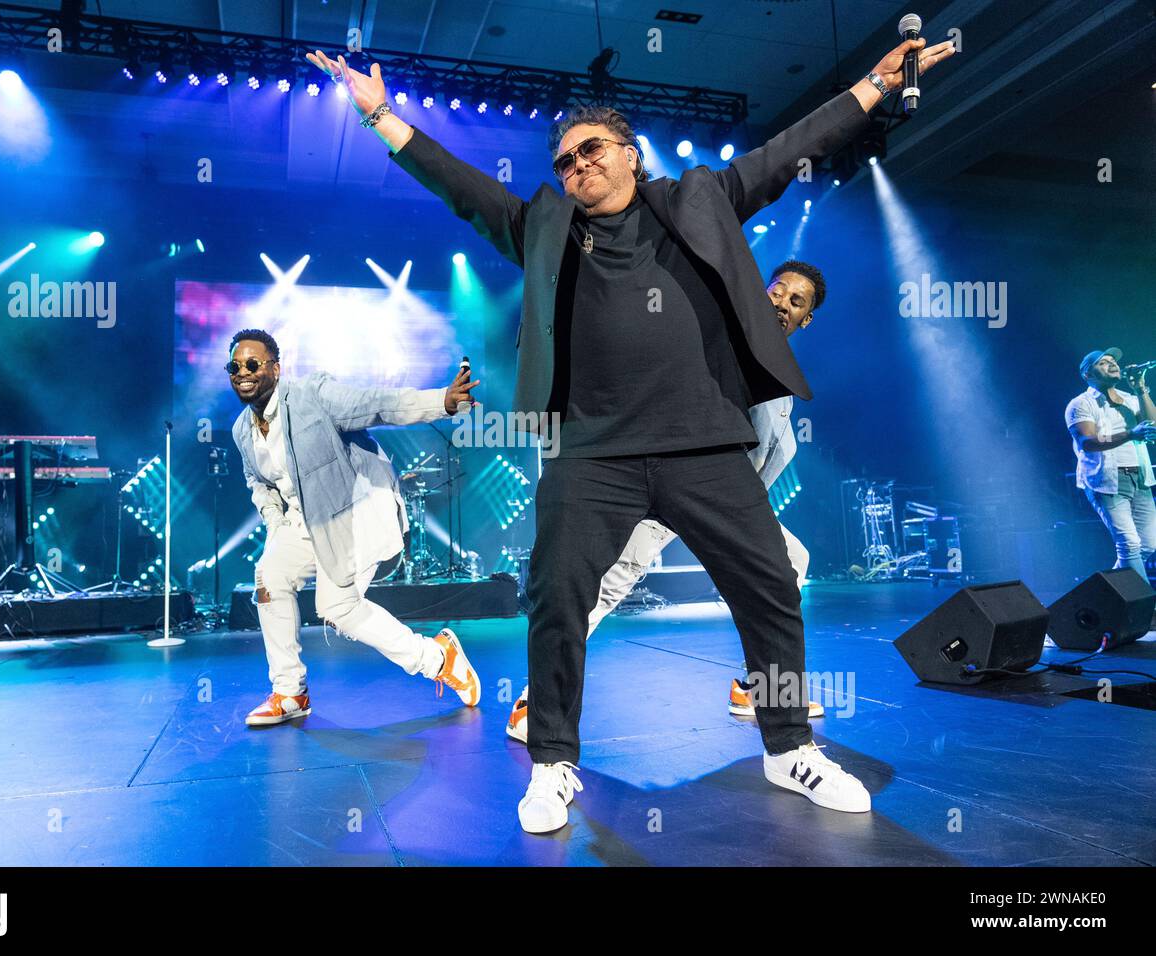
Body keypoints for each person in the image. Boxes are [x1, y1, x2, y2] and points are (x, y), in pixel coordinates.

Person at [309, 30, 956, 833]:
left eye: (589, 152)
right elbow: (460, 186)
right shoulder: (543, 225)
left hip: (706, 445)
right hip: (591, 453)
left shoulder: (700, 199)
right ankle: (552, 762)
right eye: (564, 163)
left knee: (771, 590)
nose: (576, 168)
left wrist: (873, 88)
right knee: (557, 602)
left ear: (629, 151)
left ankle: (788, 745)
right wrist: (382, 119)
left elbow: (794, 149)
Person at [504, 261, 831, 744]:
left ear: (806, 321)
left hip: (724, 501)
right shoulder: (720, 334)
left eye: (795, 301)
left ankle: (753, 686)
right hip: (658, 482)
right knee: (606, 586)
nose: (781, 302)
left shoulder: (781, 376)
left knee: (790, 564)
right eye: (777, 290)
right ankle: (537, 700)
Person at [227, 328, 483, 725]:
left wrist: (441, 402)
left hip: (353, 507)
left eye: (253, 364)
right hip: (304, 520)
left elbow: (376, 404)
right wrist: (277, 528)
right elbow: (258, 483)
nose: (243, 372)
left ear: (275, 368)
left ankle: (437, 658)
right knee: (269, 577)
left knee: (337, 607)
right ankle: (289, 692)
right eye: (235, 366)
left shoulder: (312, 395)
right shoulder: (243, 430)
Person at [1065, 348, 1156, 583]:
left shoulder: (1131, 399)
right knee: (1129, 544)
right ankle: (1143, 609)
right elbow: (1088, 442)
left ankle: (1106, 590)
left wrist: (1140, 388)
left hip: (1141, 477)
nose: (1112, 364)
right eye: (1103, 362)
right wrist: (1130, 434)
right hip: (1107, 481)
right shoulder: (1080, 404)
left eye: (1113, 361)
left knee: (1148, 544)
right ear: (1088, 374)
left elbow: (1153, 426)